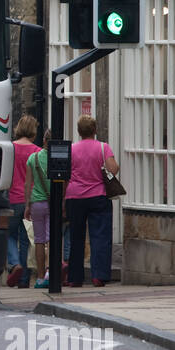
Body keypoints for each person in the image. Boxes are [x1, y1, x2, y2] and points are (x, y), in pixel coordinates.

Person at [64, 115, 118, 288]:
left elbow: (66, 174)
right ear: (95, 130)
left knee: (76, 237)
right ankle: (99, 275)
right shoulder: (103, 148)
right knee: (100, 236)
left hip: (75, 196)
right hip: (98, 195)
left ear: (79, 131)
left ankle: (75, 277)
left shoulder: (71, 149)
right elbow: (113, 169)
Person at [7, 115, 41, 287]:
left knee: (8, 234)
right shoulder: (36, 151)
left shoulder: (10, 149)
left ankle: (14, 264)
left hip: (11, 198)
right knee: (26, 239)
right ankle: (23, 279)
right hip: (30, 200)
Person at [25, 131, 51, 288]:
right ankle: (50, 272)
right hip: (52, 203)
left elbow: (28, 184)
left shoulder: (33, 158)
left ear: (44, 140)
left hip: (37, 203)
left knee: (39, 240)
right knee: (52, 239)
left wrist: (27, 205)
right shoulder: (57, 158)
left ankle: (40, 277)